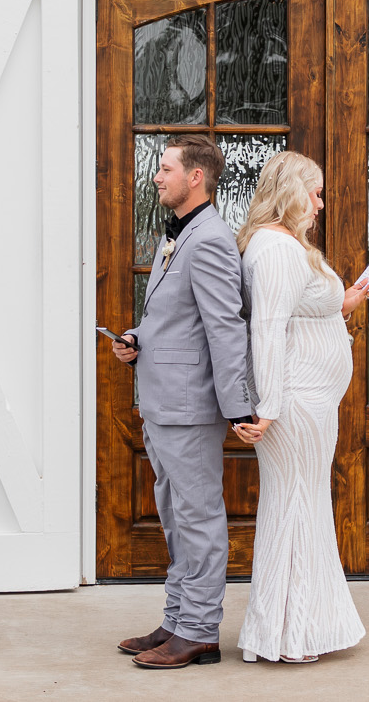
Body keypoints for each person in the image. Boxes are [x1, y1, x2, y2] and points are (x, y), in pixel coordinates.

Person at [109, 134, 256, 670]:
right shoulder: (178, 236)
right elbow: (175, 320)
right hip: (162, 402)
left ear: (196, 177)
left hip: (192, 407)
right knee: (174, 515)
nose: (156, 176)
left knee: (197, 518)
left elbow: (224, 326)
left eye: (166, 168)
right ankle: (176, 619)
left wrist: (239, 407)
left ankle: (198, 632)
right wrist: (135, 339)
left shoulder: (212, 239)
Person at [232, 151, 369, 664]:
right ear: (291, 191)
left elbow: (303, 309)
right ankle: (285, 634)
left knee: (304, 505)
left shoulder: (288, 246)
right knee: (294, 506)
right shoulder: (274, 249)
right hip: (293, 403)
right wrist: (268, 405)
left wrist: (350, 297)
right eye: (314, 192)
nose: (320, 202)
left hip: (307, 400)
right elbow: (266, 327)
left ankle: (297, 628)